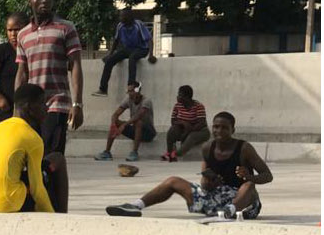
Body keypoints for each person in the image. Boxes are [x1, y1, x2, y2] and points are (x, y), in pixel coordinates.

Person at [106, 111, 272, 220]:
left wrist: (248, 176)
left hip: (243, 203)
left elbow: (267, 176)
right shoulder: (208, 148)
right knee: (172, 181)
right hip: (216, 198)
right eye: (216, 127)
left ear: (232, 130)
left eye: (224, 128)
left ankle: (229, 212)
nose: (219, 131)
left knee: (249, 186)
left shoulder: (244, 149)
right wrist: (209, 183)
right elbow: (204, 185)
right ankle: (136, 206)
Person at [13, 0, 83, 179]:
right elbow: (22, 72)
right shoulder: (23, 34)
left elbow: (76, 65)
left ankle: (53, 200)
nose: (45, 1)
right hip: (30, 106)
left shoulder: (66, 28)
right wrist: (16, 107)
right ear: (30, 1)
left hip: (56, 104)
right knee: (30, 157)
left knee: (50, 155)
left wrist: (77, 103)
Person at [0, 83, 61, 213]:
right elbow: (37, 188)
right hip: (9, 203)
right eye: (42, 103)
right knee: (57, 161)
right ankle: (61, 214)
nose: (46, 108)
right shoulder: (32, 137)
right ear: (29, 108)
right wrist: (51, 215)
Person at [95, 9, 153, 97]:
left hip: (141, 49)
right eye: (120, 16)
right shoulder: (120, 26)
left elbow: (149, 40)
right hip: (128, 49)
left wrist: (151, 54)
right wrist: (110, 54)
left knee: (132, 58)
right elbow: (116, 41)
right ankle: (103, 88)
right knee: (110, 61)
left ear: (129, 17)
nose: (121, 18)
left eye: (123, 16)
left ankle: (131, 84)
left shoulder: (138, 24)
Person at [97, 81, 155, 162]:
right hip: (135, 130)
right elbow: (115, 114)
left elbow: (138, 116)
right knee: (116, 122)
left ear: (138, 90)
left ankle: (134, 152)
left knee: (138, 122)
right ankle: (107, 152)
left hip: (148, 133)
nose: (129, 93)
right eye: (128, 91)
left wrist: (124, 125)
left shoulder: (146, 101)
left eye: (131, 91)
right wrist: (113, 124)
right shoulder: (128, 99)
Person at [164, 85, 209, 162]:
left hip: (200, 131)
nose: (177, 97)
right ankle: (169, 152)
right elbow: (173, 121)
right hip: (184, 129)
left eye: (180, 95)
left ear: (187, 97)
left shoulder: (198, 106)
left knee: (192, 136)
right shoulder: (177, 105)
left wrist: (188, 131)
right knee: (172, 130)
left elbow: (201, 123)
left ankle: (177, 153)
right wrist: (184, 123)